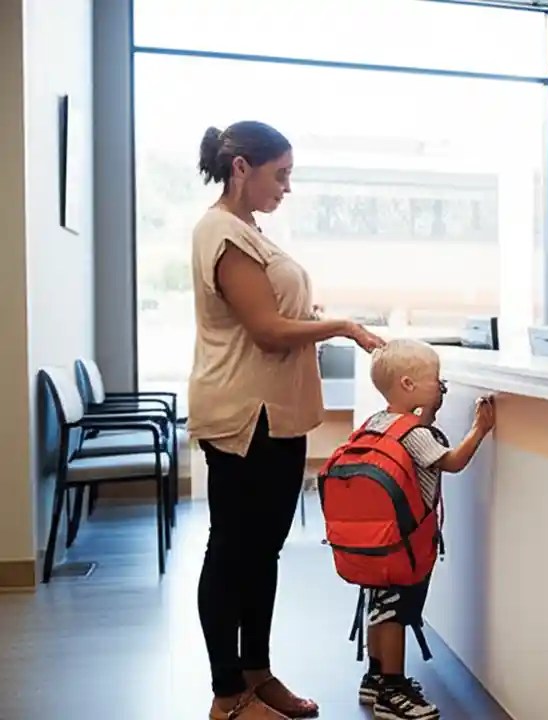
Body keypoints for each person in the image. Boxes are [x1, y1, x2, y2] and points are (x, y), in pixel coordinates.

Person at [189, 120, 387, 720]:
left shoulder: (250, 231)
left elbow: (274, 312)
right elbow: (268, 331)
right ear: (241, 168)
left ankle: (258, 674)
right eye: (281, 174)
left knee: (262, 552)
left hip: (276, 416)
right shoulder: (221, 233)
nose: (288, 187)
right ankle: (228, 695)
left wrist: (309, 312)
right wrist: (343, 326)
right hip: (244, 416)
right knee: (231, 551)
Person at [357, 339, 495, 720]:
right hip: (404, 543)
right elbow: (450, 462)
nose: (440, 383)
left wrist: (429, 411)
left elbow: (414, 435)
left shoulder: (379, 422)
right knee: (397, 613)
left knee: (379, 607)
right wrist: (479, 430)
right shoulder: (415, 433)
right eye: (435, 379)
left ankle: (374, 679)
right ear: (407, 385)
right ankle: (393, 689)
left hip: (375, 541)